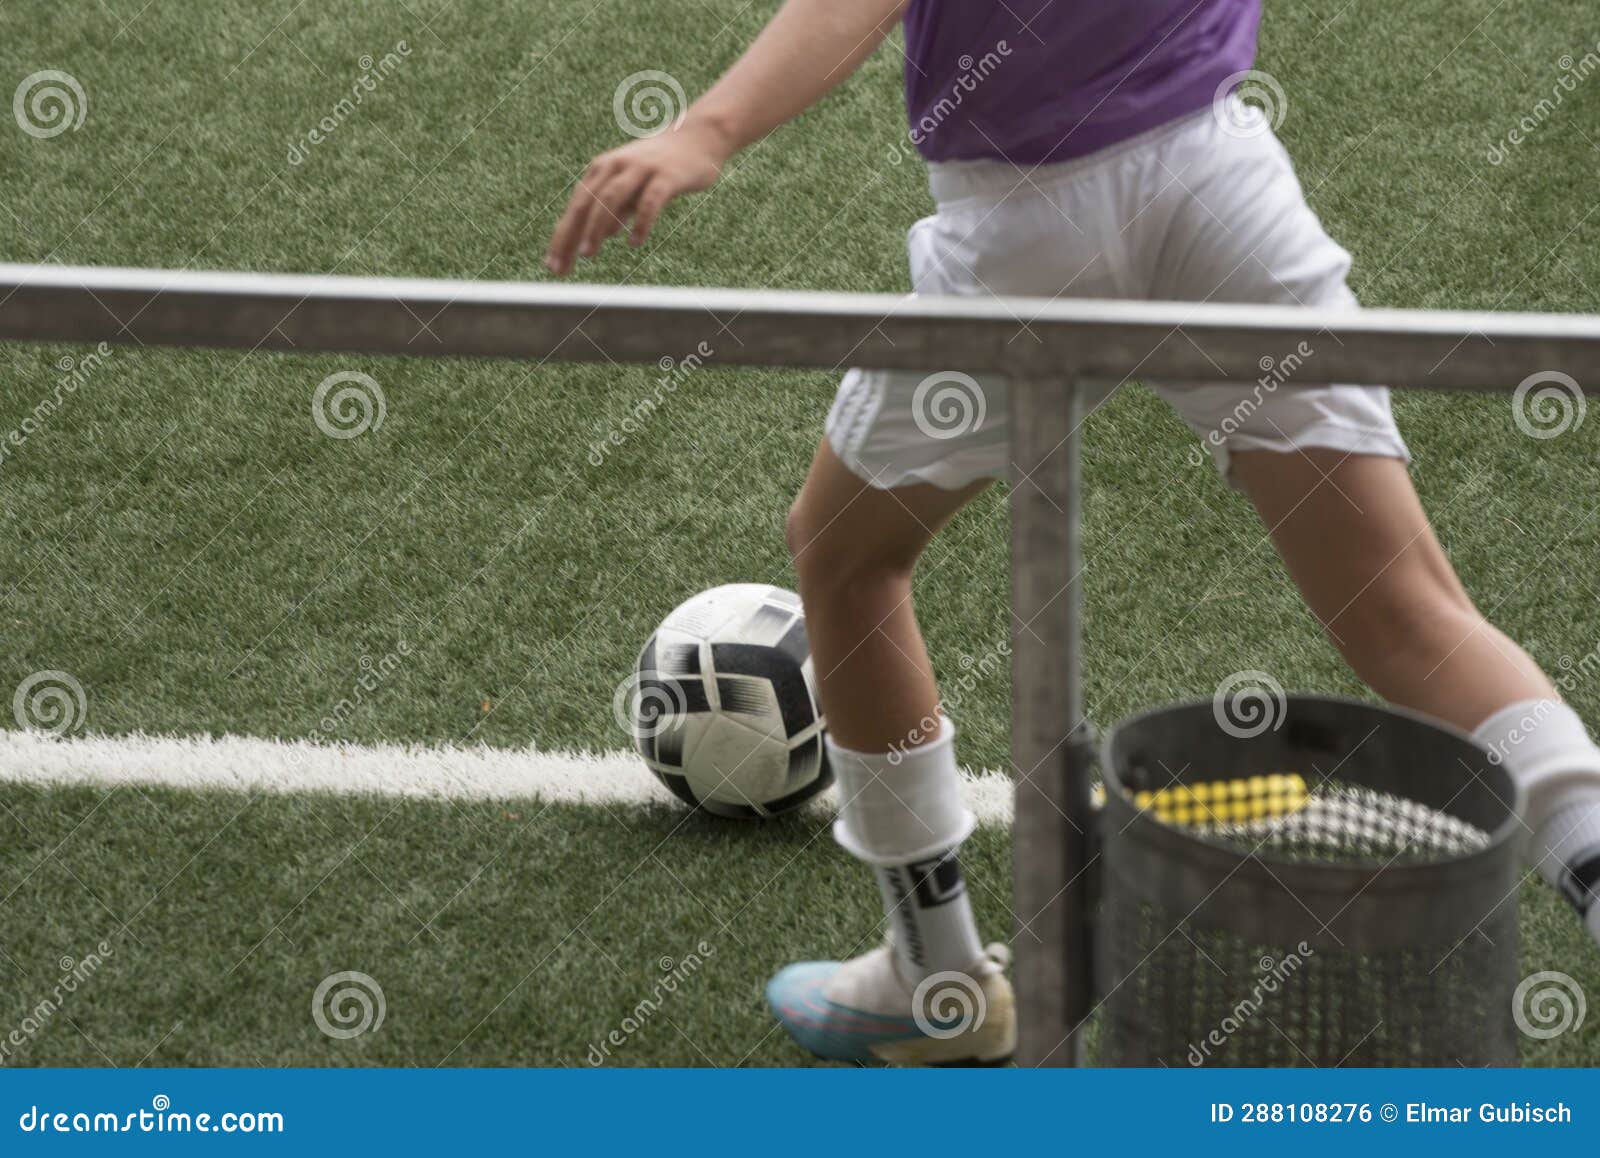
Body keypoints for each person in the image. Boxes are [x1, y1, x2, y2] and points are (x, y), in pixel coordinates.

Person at [547, 0, 1600, 1065]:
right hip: (1220, 189)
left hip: (1023, 226)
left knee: (846, 555)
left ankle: (935, 974)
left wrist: (707, 130)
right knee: (1405, 610)